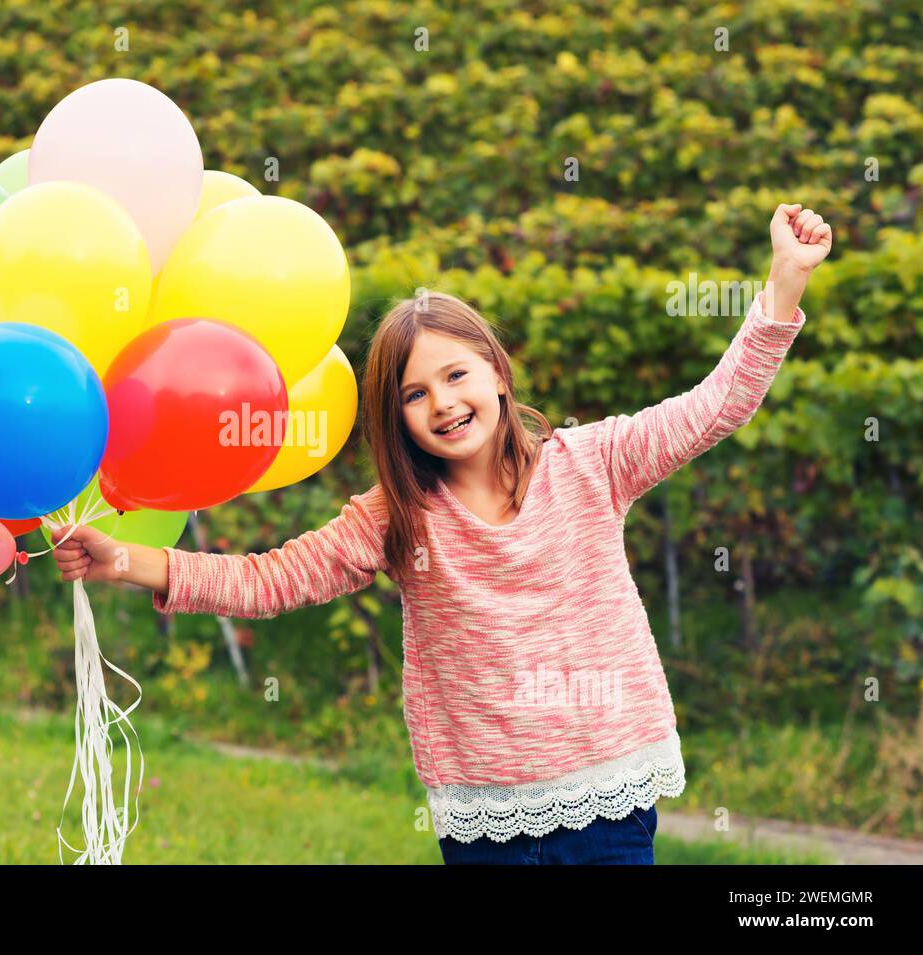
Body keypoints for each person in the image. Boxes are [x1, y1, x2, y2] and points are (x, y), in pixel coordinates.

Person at [52, 203, 832, 864]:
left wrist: (783, 284)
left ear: (496, 371)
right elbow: (271, 580)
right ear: (397, 419)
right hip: (485, 820)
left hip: (608, 799)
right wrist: (129, 558)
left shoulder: (594, 462)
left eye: (456, 376)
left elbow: (713, 407)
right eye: (414, 394)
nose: (443, 403)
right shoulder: (397, 517)